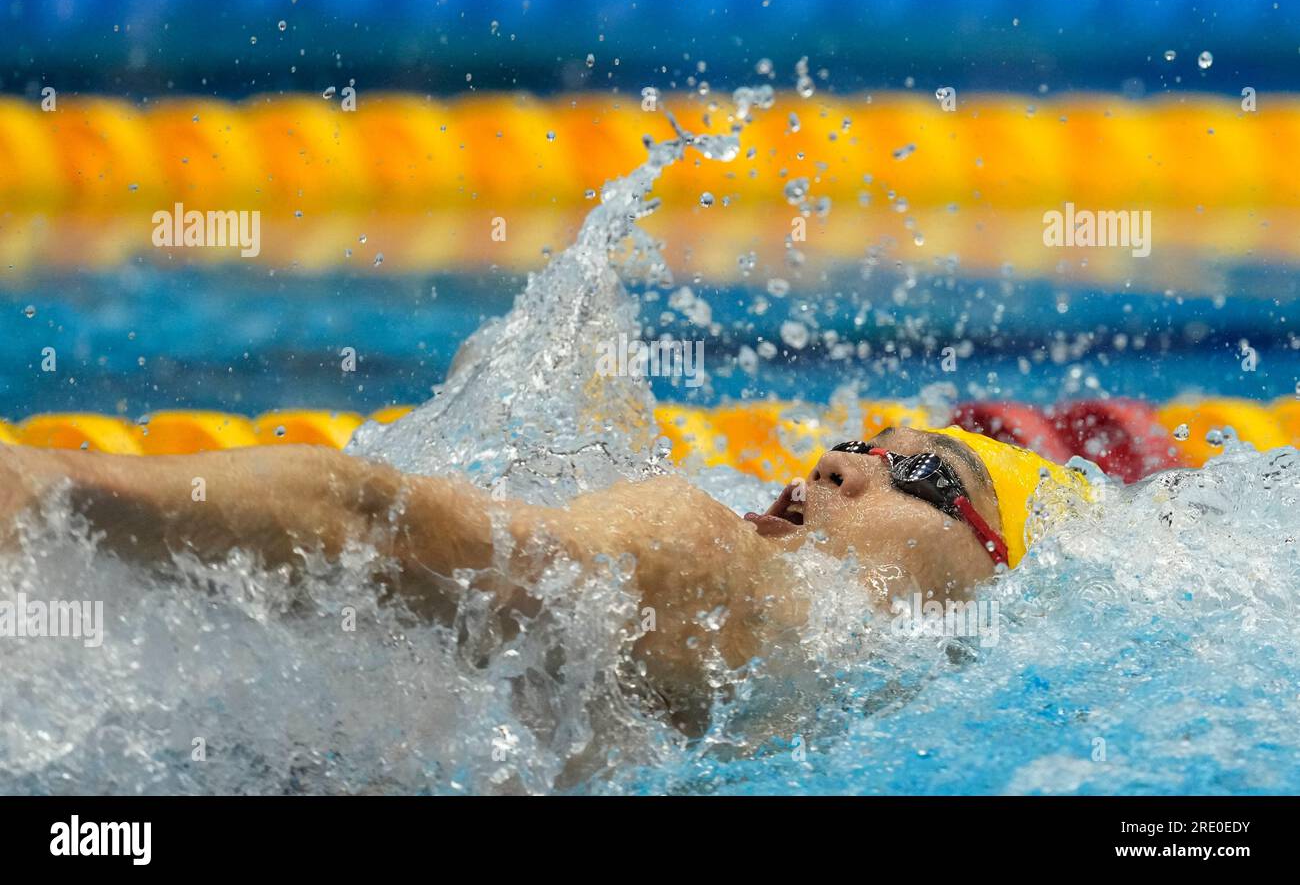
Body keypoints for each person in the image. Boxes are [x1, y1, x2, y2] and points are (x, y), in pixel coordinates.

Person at [0, 424, 1086, 735]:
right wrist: (51, 489)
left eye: (919, 470)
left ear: (987, 570)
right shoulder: (704, 560)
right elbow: (381, 526)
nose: (837, 461)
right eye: (854, 438)